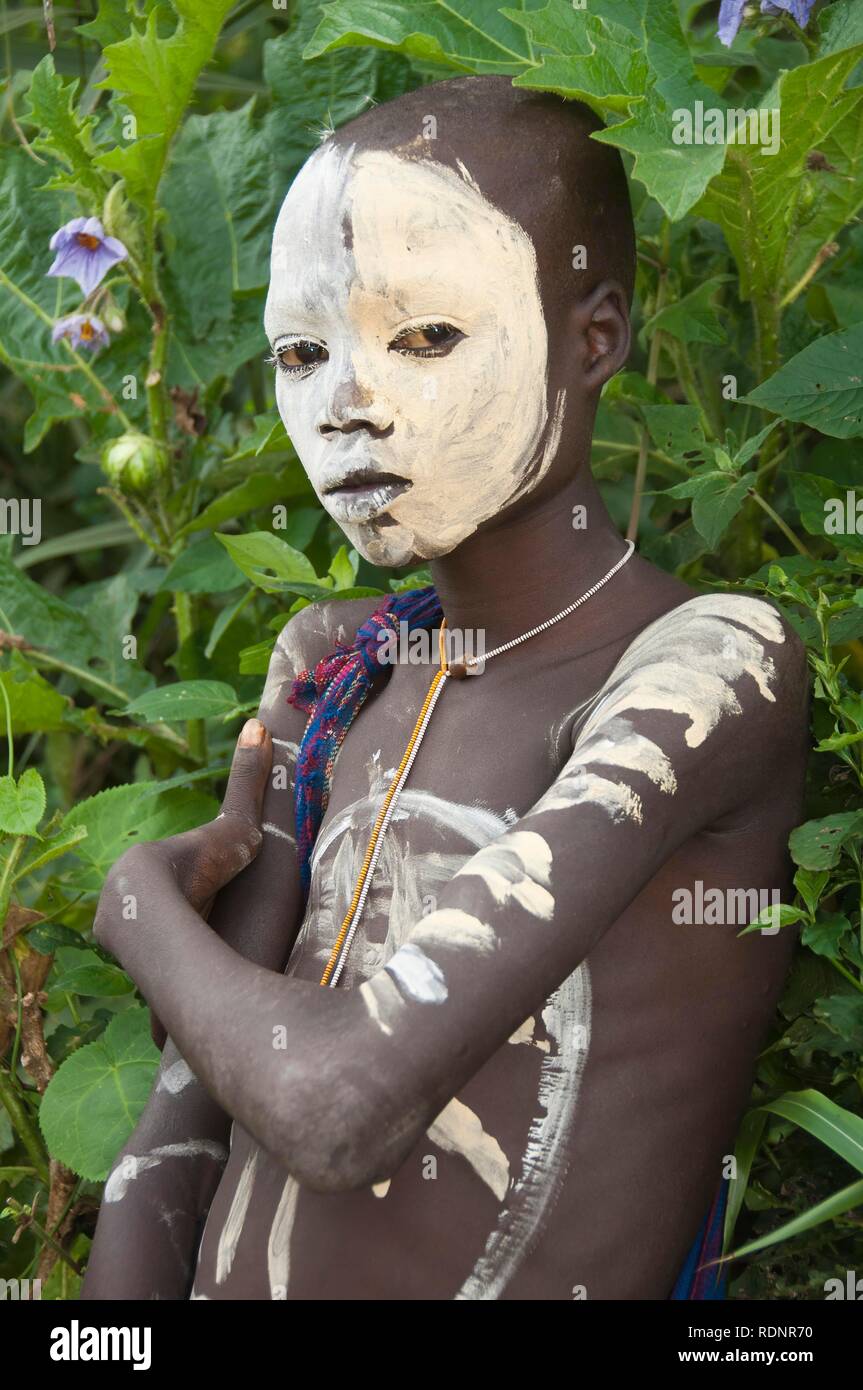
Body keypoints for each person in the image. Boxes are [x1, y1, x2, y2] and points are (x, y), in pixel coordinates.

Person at [81, 76, 808, 1301]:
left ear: (595, 338)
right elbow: (192, 1109)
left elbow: (334, 1106)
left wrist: (137, 908)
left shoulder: (703, 669)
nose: (347, 405)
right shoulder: (332, 662)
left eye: (423, 337)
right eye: (302, 353)